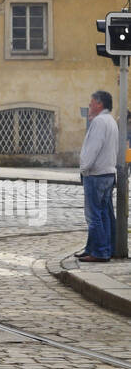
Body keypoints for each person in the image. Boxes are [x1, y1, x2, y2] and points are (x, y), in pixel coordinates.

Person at [77, 90, 118, 262]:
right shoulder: (110, 121)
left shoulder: (100, 122)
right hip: (108, 172)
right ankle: (96, 248)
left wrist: (84, 168)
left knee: (94, 215)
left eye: (92, 102)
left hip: (96, 174)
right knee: (105, 214)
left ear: (100, 104)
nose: (90, 105)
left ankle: (100, 252)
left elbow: (93, 148)